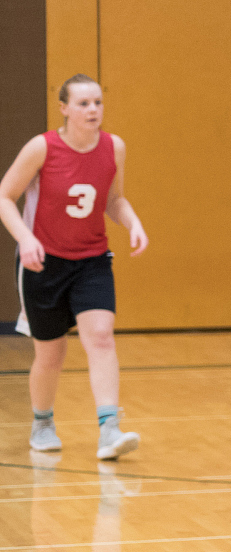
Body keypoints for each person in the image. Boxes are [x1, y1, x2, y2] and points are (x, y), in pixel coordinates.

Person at [1, 74, 148, 460]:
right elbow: (5, 195)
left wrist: (132, 222)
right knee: (51, 354)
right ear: (64, 108)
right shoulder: (42, 148)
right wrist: (25, 238)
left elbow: (114, 199)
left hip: (91, 259)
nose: (93, 110)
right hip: (43, 263)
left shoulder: (113, 147)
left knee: (100, 336)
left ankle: (108, 429)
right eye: (83, 104)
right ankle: (42, 421)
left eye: (98, 102)